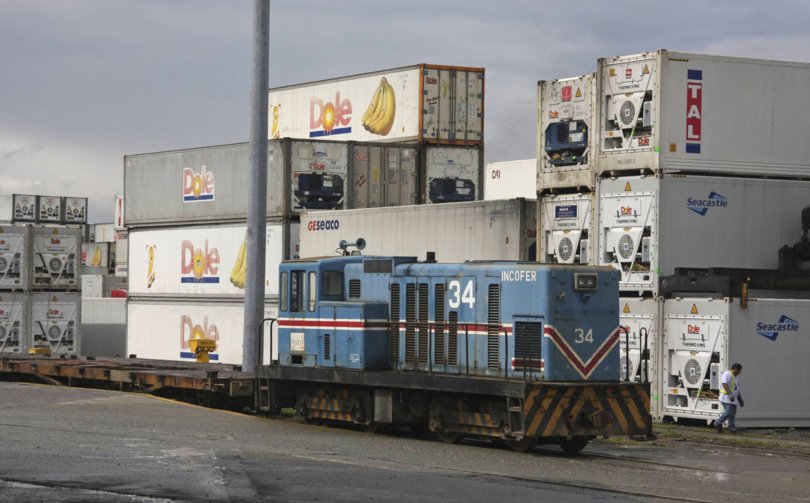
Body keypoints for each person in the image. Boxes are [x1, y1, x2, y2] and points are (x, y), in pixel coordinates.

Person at [715, 363, 744, 433]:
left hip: (733, 400)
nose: (740, 372)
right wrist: (730, 395)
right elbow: (724, 384)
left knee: (732, 414)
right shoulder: (727, 374)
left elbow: (737, 390)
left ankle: (732, 428)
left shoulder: (735, 378)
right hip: (726, 398)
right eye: (739, 370)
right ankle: (718, 423)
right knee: (729, 412)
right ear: (735, 369)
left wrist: (740, 399)